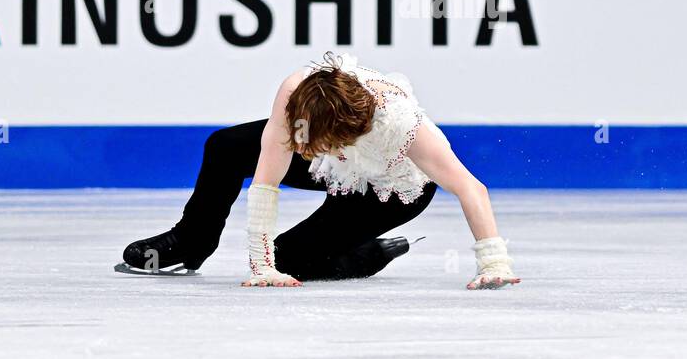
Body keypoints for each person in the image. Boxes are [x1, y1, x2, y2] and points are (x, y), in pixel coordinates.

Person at [120, 52, 520, 290]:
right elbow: (267, 178)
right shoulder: (298, 89)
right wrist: (260, 268)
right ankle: (191, 243)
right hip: (335, 160)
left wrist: (494, 264)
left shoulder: (404, 126)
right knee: (225, 146)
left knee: (288, 259)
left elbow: (472, 189)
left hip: (387, 192)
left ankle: (362, 256)